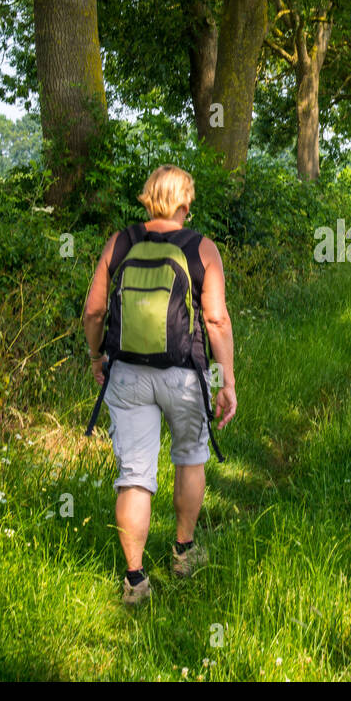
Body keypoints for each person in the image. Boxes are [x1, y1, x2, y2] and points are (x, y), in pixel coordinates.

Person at [82, 165, 237, 606]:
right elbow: (216, 320)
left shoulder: (121, 242)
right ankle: (183, 553)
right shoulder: (201, 247)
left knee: (134, 475)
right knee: (189, 457)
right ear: (186, 203)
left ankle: (134, 580)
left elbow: (94, 313)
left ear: (148, 198)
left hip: (127, 373)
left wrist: (97, 358)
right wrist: (223, 382)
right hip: (185, 375)